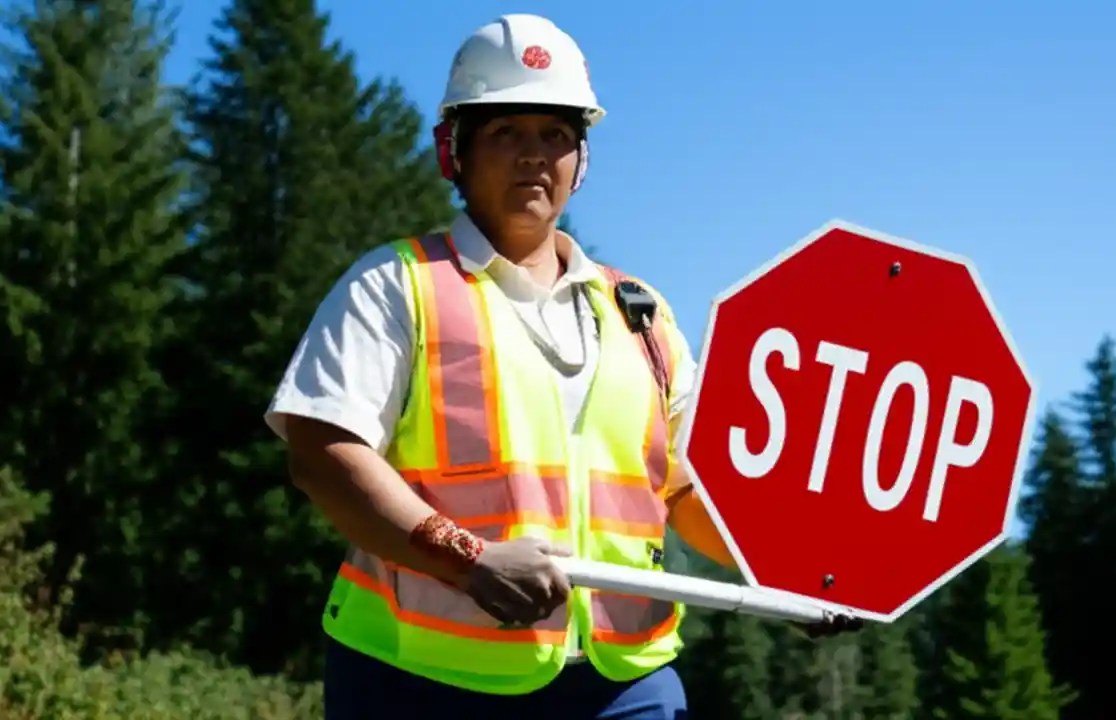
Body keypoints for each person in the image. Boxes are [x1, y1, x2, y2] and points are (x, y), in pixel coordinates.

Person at [265, 13, 860, 718]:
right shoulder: (395, 285)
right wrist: (468, 560)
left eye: (555, 134)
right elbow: (323, 453)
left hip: (624, 680)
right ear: (452, 152)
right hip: (421, 677)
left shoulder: (641, 314)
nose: (532, 155)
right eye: (505, 132)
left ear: (581, 160)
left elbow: (689, 491)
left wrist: (791, 573)